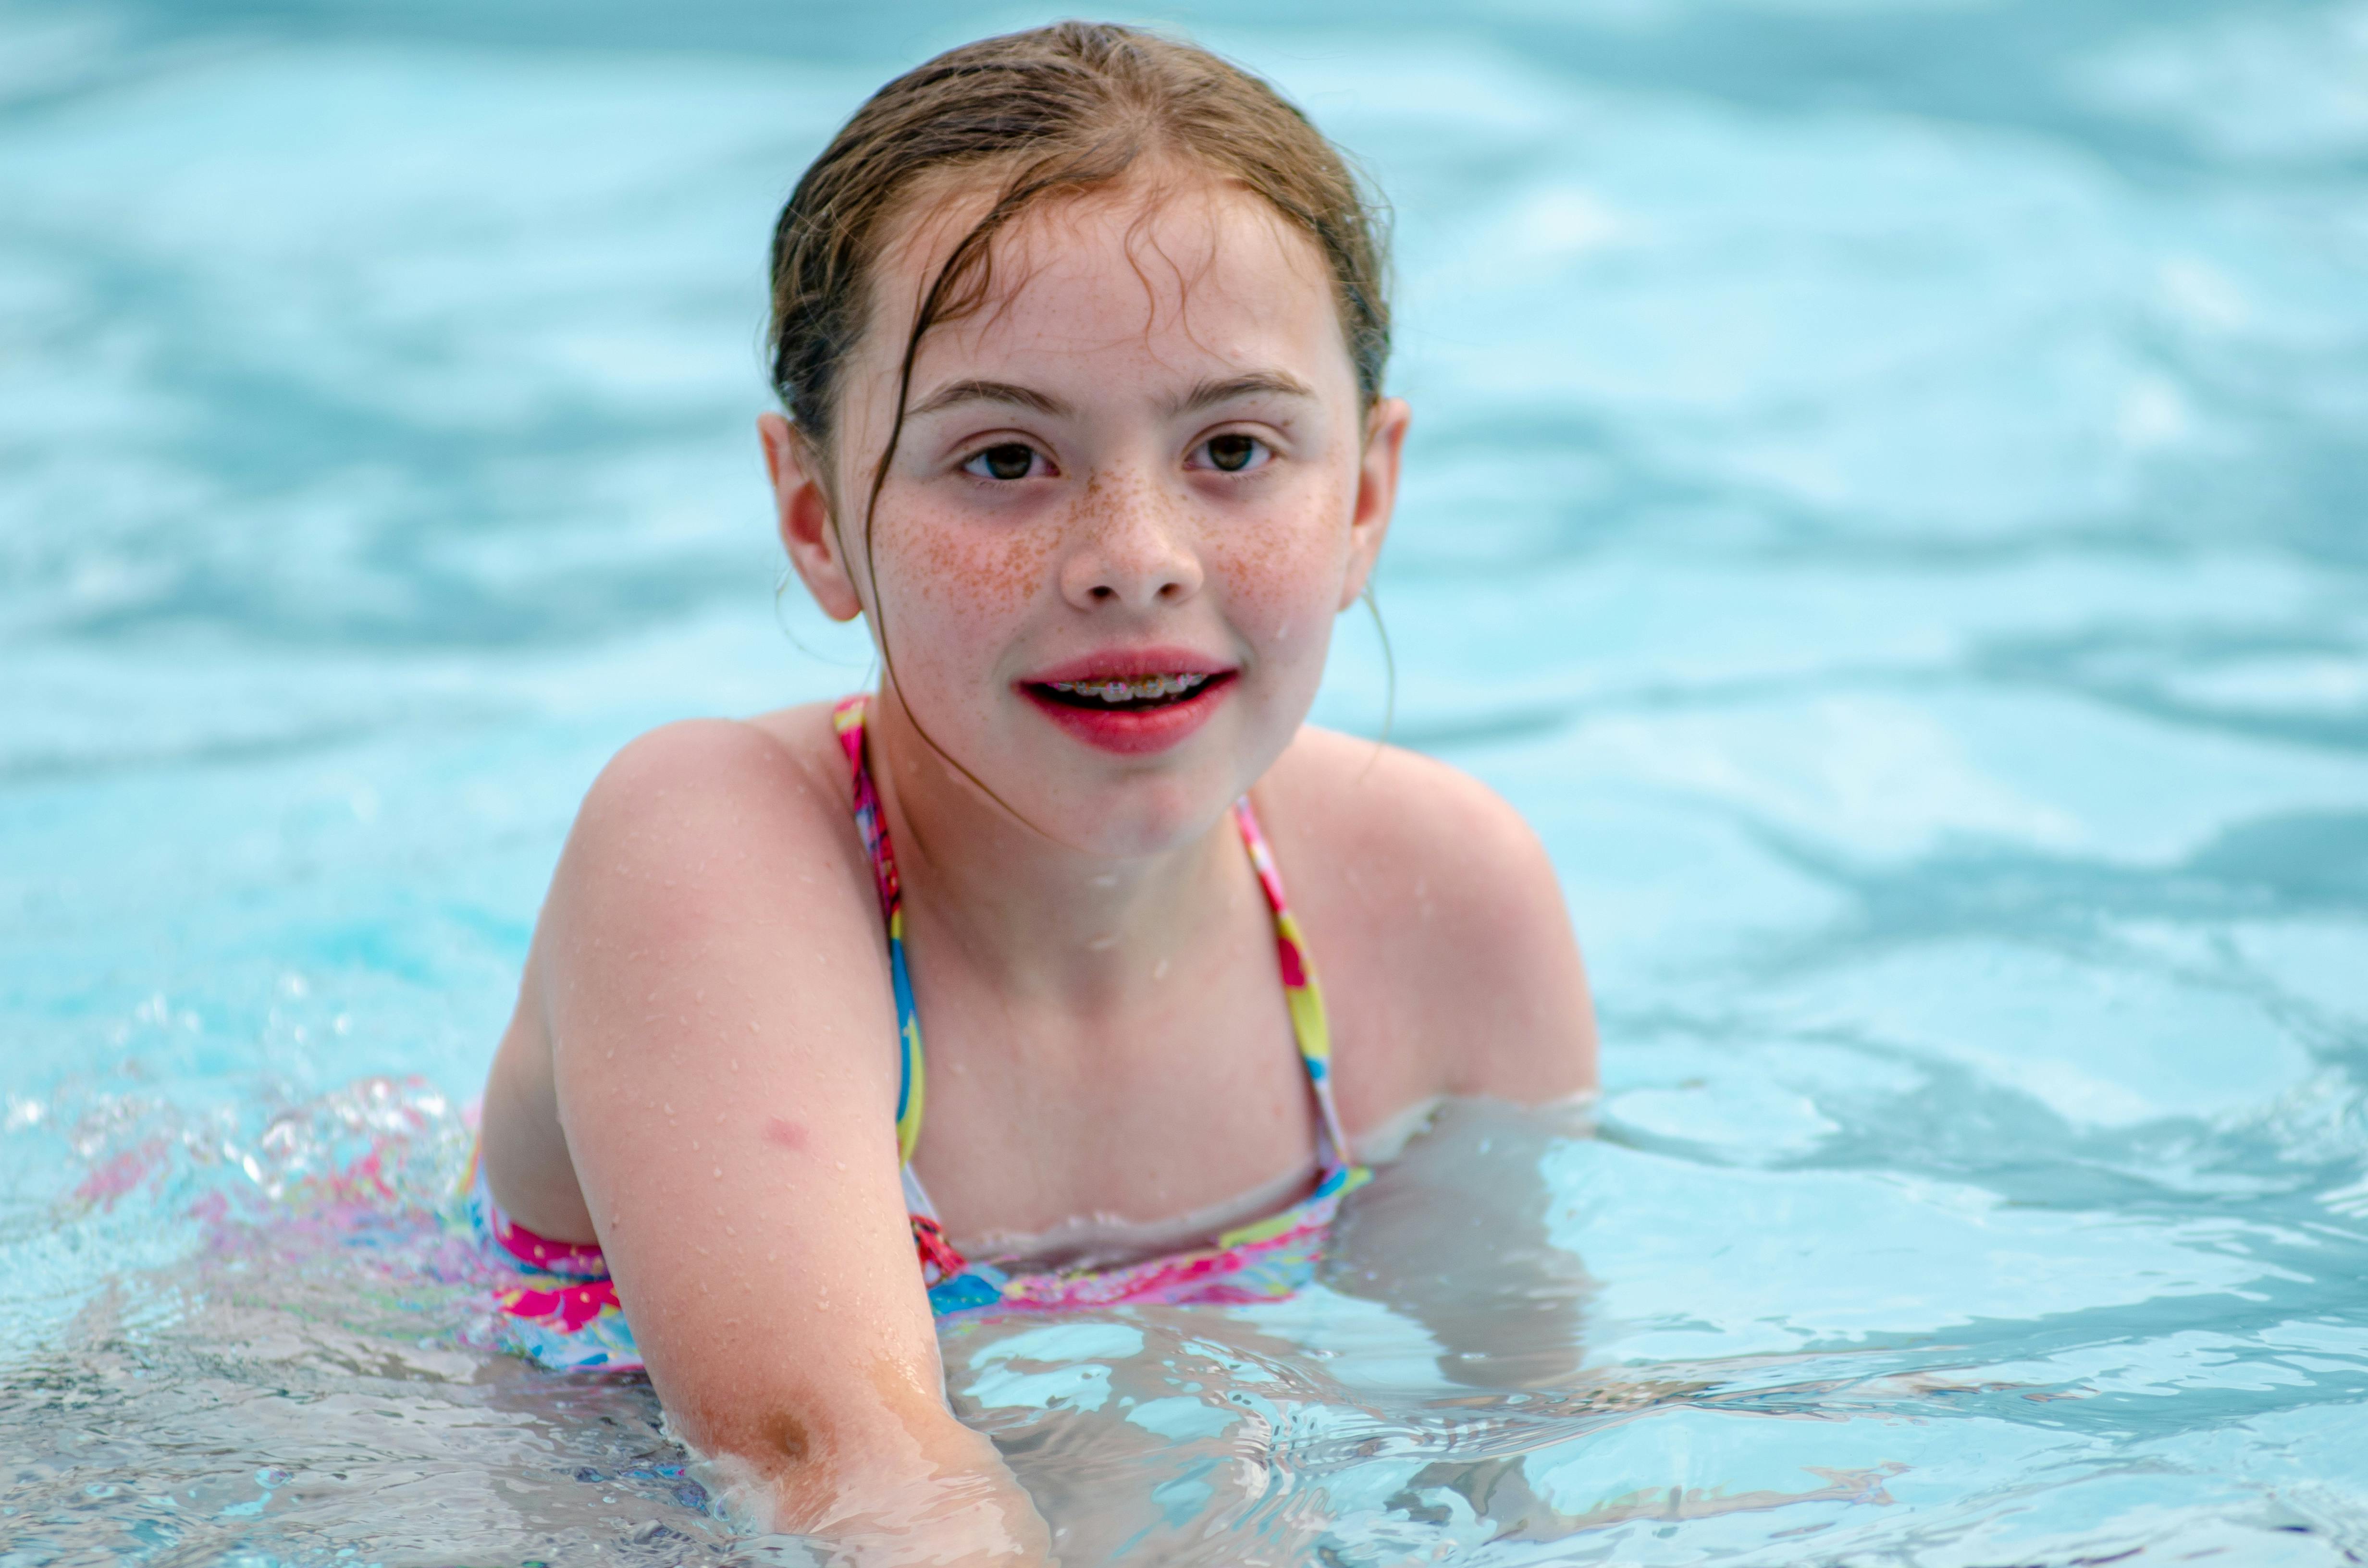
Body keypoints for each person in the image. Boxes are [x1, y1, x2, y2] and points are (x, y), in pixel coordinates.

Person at [468, 20, 1596, 1562]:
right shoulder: (714, 851)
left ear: (1367, 500)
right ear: (815, 517)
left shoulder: (1445, 897)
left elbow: (1521, 1459)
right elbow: (846, 1470)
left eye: (1234, 448)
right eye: (1004, 461)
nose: (1135, 555)